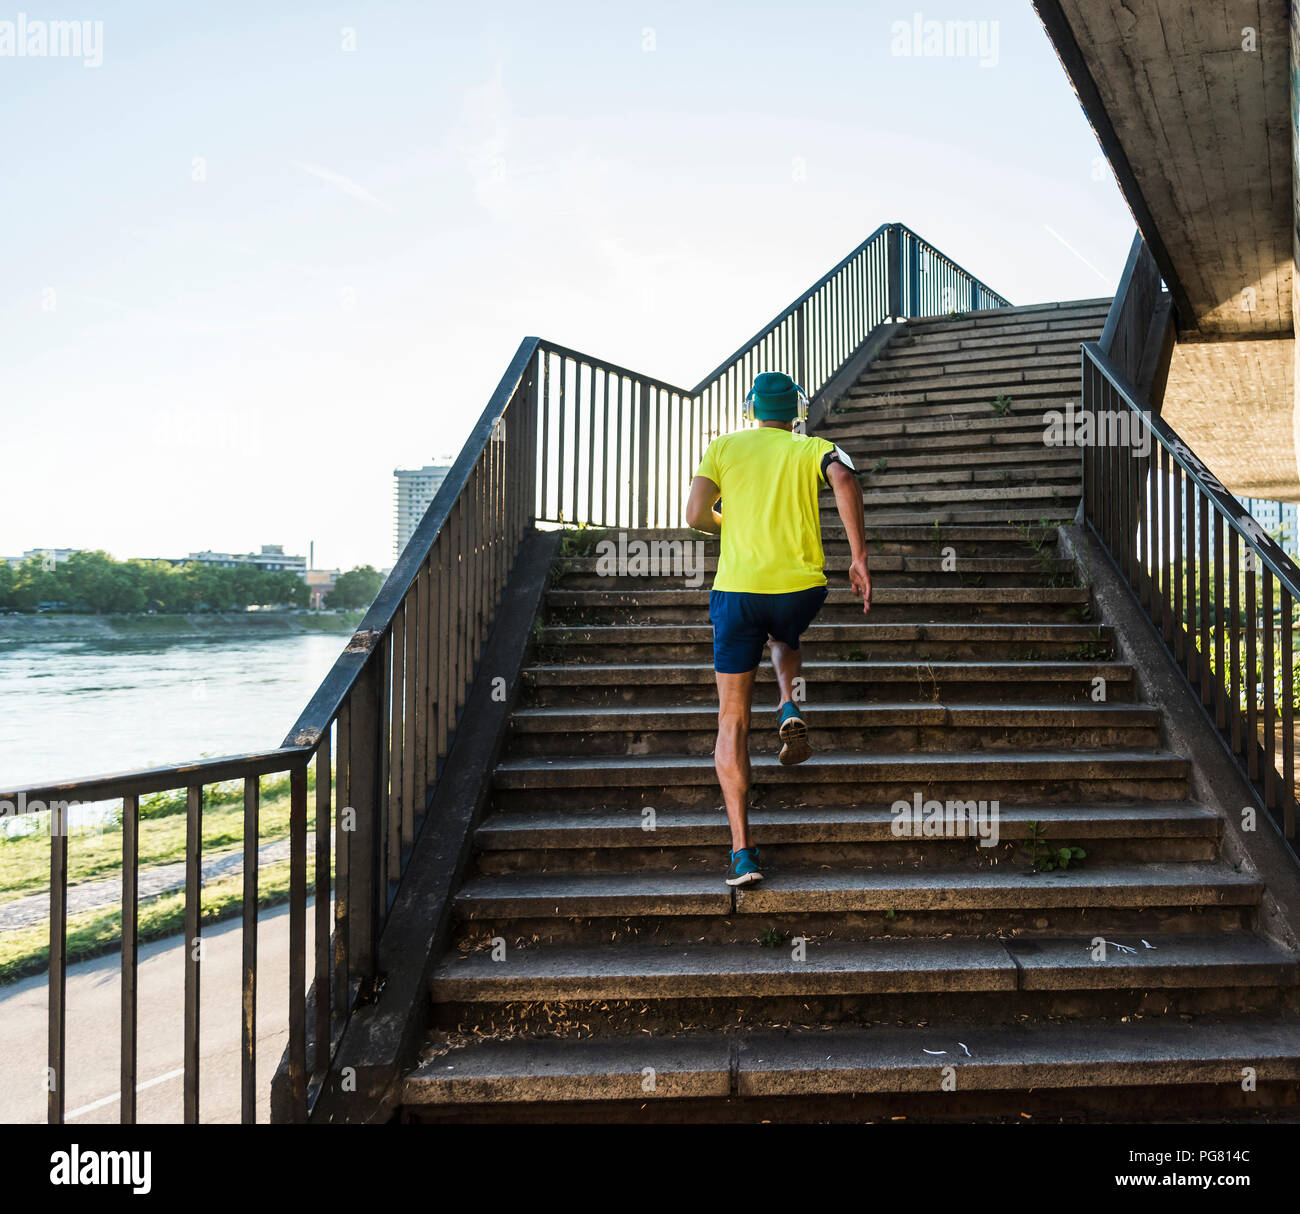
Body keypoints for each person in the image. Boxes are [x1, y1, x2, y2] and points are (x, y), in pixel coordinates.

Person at [685, 370, 871, 886]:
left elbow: (696, 513)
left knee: (732, 721)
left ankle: (743, 853)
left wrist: (729, 523)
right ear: (796, 412)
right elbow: (846, 479)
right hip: (799, 590)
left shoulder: (722, 447)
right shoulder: (814, 447)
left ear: (750, 409)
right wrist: (858, 558)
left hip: (739, 592)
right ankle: (788, 700)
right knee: (785, 635)